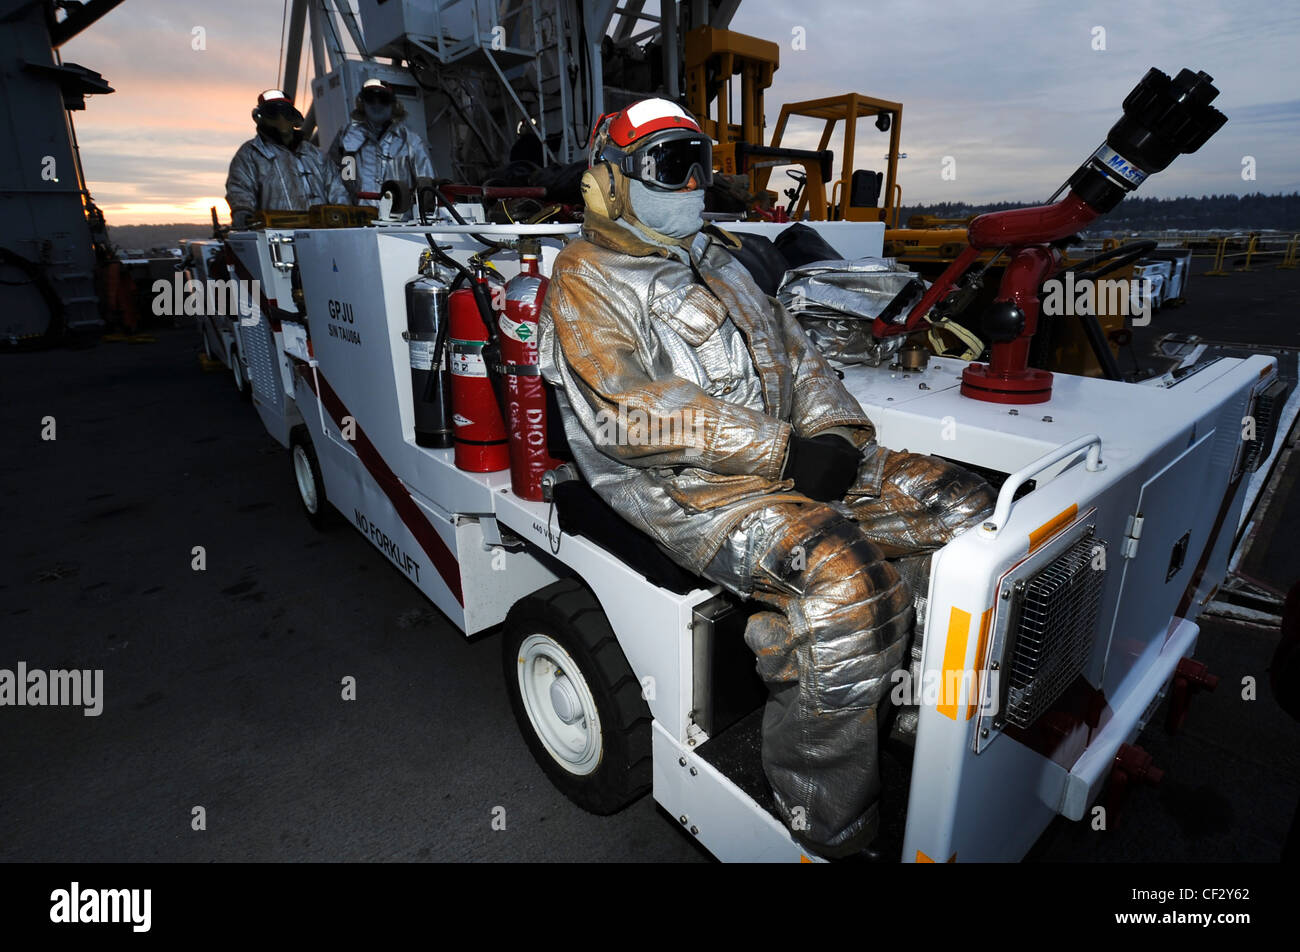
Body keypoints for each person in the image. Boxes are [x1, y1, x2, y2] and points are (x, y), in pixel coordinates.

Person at [538, 98, 996, 859]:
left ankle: (910, 712)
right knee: (844, 586)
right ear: (610, 184)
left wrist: (832, 432)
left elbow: (799, 356)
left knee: (961, 509)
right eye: (670, 167)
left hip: (784, 453)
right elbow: (634, 416)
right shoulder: (587, 278)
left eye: (699, 164)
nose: (693, 184)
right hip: (684, 486)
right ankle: (827, 826)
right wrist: (783, 454)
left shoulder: (721, 255)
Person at [225, 90, 347, 229]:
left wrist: (344, 215)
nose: (281, 118)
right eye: (273, 112)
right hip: (276, 239)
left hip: (323, 236)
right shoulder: (249, 154)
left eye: (286, 112)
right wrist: (243, 212)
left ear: (294, 117)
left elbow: (337, 191)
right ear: (260, 118)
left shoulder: (316, 155)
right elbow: (240, 189)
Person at [328, 78, 436, 210]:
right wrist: (345, 209)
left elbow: (426, 186)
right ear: (362, 104)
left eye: (383, 99)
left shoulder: (411, 141)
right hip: (360, 223)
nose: (376, 104)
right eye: (370, 99)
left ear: (393, 105)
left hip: (401, 225)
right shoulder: (346, 137)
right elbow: (334, 176)